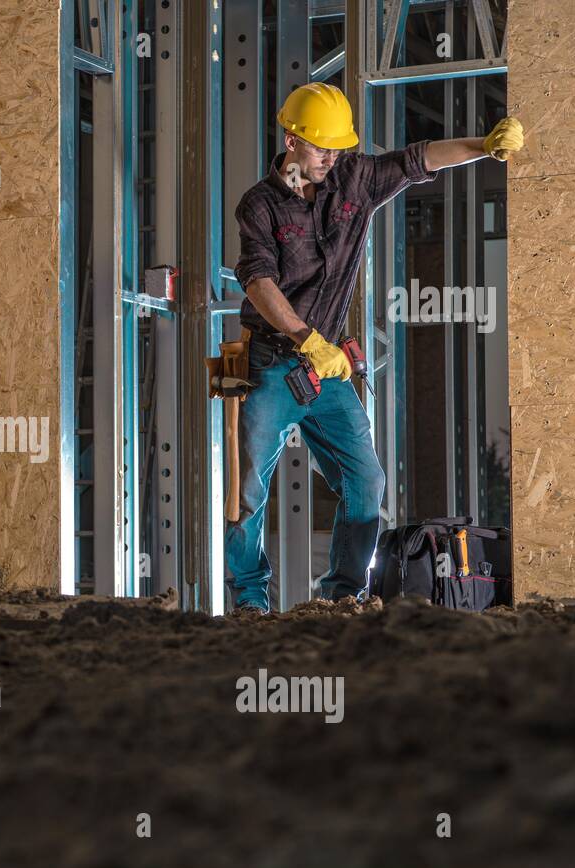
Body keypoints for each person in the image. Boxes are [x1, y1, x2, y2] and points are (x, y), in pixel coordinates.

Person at [227, 81, 523, 614]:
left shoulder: (354, 180)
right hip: (272, 364)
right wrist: (305, 337)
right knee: (247, 493)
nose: (332, 158)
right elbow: (258, 281)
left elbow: (420, 159)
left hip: (328, 372)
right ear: (291, 139)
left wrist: (485, 145)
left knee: (366, 481)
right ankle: (250, 601)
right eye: (322, 148)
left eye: (338, 147)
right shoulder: (260, 206)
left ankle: (342, 595)